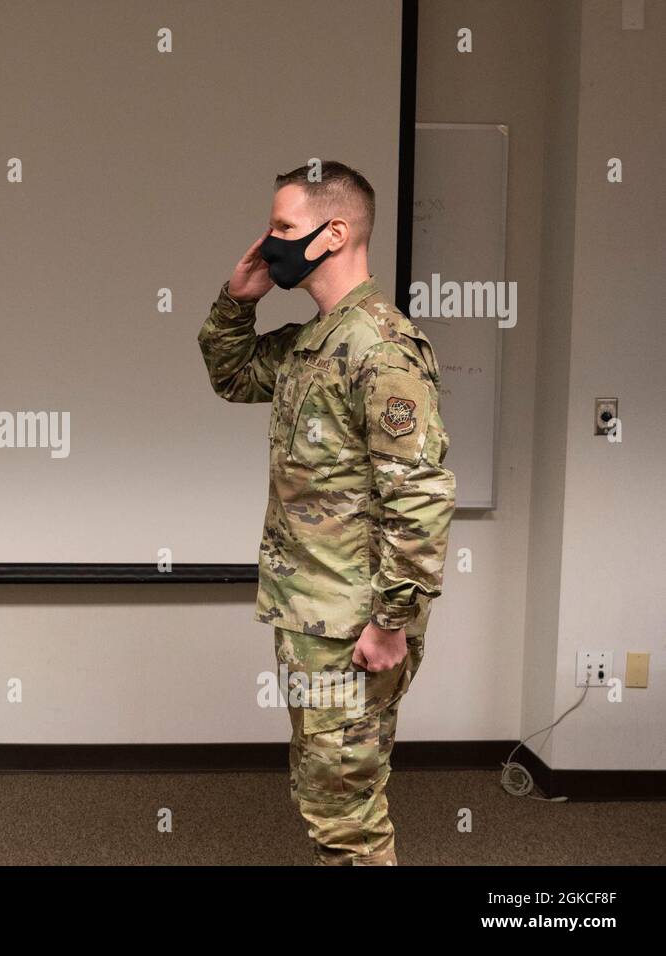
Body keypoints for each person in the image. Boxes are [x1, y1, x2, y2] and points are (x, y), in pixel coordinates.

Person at [197, 161, 455, 865]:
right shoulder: (314, 341)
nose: (269, 242)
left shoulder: (379, 345)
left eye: (282, 228)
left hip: (352, 624)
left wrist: (390, 622)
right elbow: (231, 374)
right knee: (327, 796)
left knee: (345, 817)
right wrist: (236, 298)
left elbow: (421, 497)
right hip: (310, 613)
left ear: (334, 232)